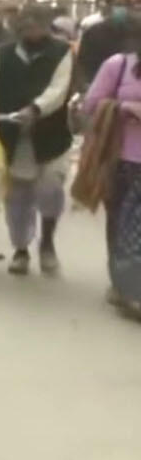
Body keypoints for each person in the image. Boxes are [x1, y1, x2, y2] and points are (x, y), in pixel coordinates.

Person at [0, 3, 75, 276]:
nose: (29, 29)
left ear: (45, 27)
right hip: (12, 135)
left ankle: (48, 242)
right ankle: (21, 250)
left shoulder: (63, 53)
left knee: (50, 189)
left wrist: (35, 109)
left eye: (35, 24)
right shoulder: (2, 54)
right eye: (24, 24)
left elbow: (58, 90)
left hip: (51, 136)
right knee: (17, 197)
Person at [81, 41, 141, 317]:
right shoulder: (118, 66)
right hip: (122, 160)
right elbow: (91, 105)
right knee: (120, 224)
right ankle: (123, 285)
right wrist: (125, 107)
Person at [77, 0, 133, 89]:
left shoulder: (136, 31)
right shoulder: (93, 32)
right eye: (118, 5)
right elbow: (84, 60)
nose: (121, 9)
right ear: (109, 7)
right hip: (99, 83)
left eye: (125, 5)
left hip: (129, 86)